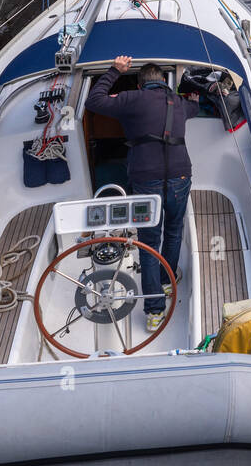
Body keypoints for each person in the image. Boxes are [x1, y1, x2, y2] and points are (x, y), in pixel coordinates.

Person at [85, 55, 200, 331]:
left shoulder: (129, 99)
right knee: (173, 231)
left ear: (139, 85)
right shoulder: (180, 104)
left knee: (149, 244)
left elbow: (93, 101)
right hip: (180, 177)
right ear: (163, 82)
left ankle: (154, 311)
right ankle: (166, 281)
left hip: (145, 181)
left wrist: (115, 70)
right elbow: (196, 105)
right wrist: (193, 97)